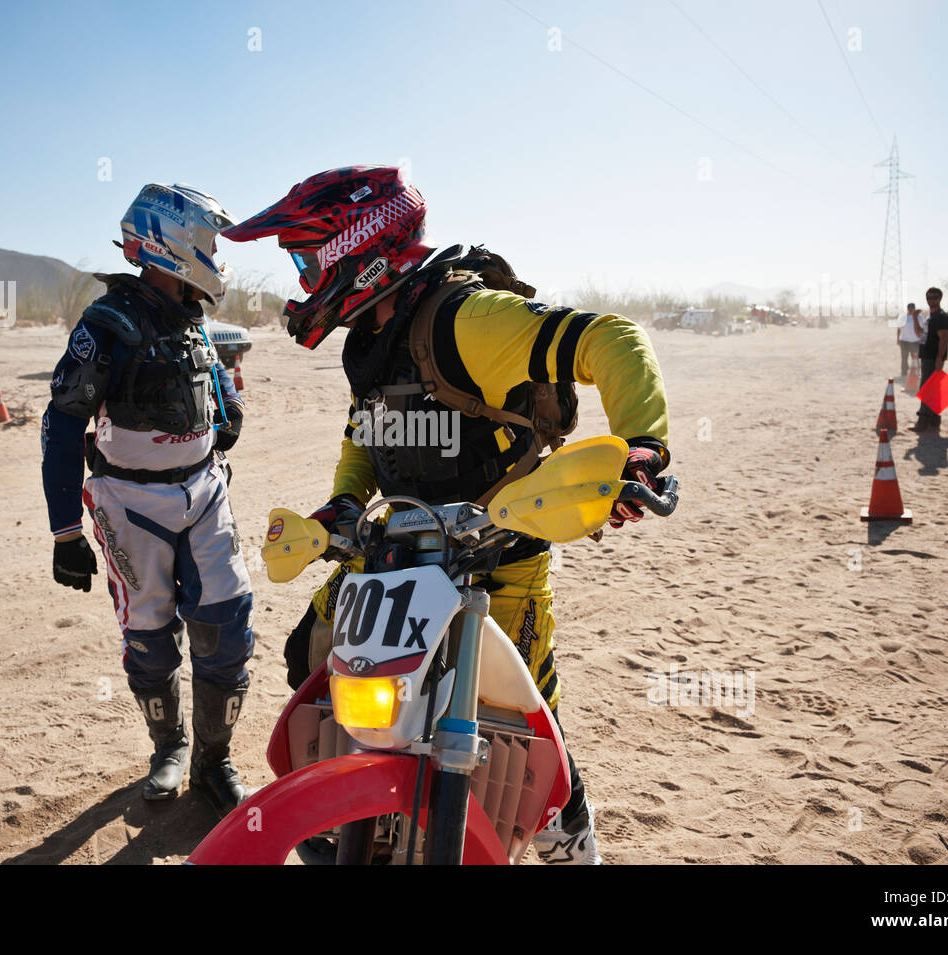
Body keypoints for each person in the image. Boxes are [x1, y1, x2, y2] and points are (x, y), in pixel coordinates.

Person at [223, 165, 672, 864]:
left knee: (525, 738)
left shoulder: (467, 318)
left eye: (310, 259)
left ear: (362, 249)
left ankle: (571, 845)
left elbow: (611, 337)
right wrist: (345, 499)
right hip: (396, 560)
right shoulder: (369, 343)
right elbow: (364, 432)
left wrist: (642, 445)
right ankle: (357, 810)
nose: (306, 279)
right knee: (308, 656)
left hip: (497, 564)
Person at [41, 183, 253, 812]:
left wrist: (228, 408)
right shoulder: (109, 324)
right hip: (130, 504)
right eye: (209, 243)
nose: (217, 255)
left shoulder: (193, 319)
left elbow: (212, 373)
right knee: (150, 635)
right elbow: (61, 423)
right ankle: (170, 748)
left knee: (227, 624)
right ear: (175, 245)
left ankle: (215, 761)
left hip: (205, 492)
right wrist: (64, 533)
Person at [910, 287, 948, 433]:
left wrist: (939, 358)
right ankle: (934, 419)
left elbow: (944, 338)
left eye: (934, 297)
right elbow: (920, 333)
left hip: (933, 357)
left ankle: (924, 420)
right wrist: (914, 318)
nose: (931, 300)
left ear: (940, 298)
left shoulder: (941, 317)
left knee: (926, 388)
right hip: (926, 355)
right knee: (932, 388)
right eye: (929, 297)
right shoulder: (930, 317)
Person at [896, 302, 922, 378]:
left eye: (912, 308)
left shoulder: (919, 317)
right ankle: (904, 372)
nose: (911, 310)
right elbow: (899, 329)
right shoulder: (903, 317)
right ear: (907, 309)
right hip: (904, 341)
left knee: (915, 358)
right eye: (909, 308)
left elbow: (922, 329)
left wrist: (922, 338)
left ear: (914, 309)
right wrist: (897, 339)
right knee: (904, 357)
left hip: (915, 341)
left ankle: (916, 373)